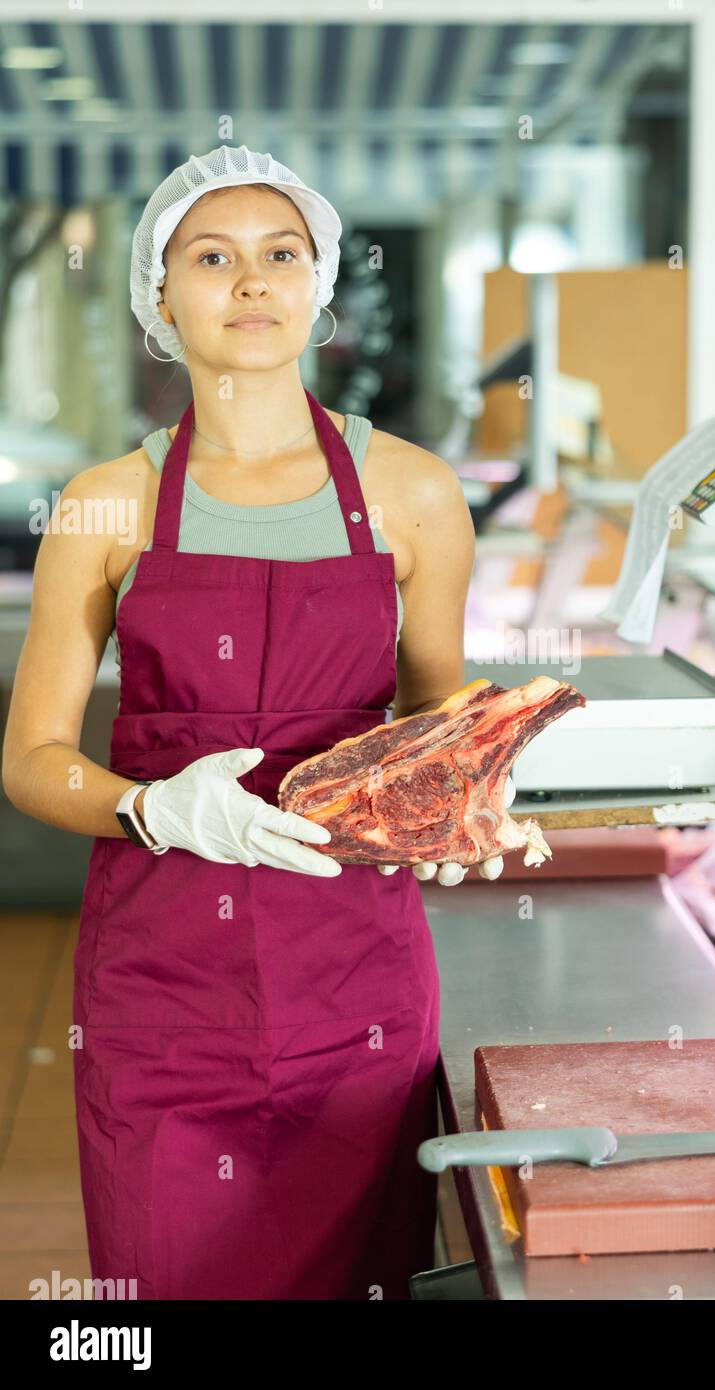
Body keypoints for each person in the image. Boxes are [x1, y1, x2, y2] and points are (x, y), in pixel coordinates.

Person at [2, 145, 506, 1299]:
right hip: (160, 988)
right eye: (212, 257)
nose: (251, 283)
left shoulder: (412, 490)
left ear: (319, 285)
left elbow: (437, 698)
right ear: (159, 296)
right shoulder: (106, 502)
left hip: (357, 986)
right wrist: (145, 806)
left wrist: (475, 771)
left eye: (281, 255)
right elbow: (30, 762)